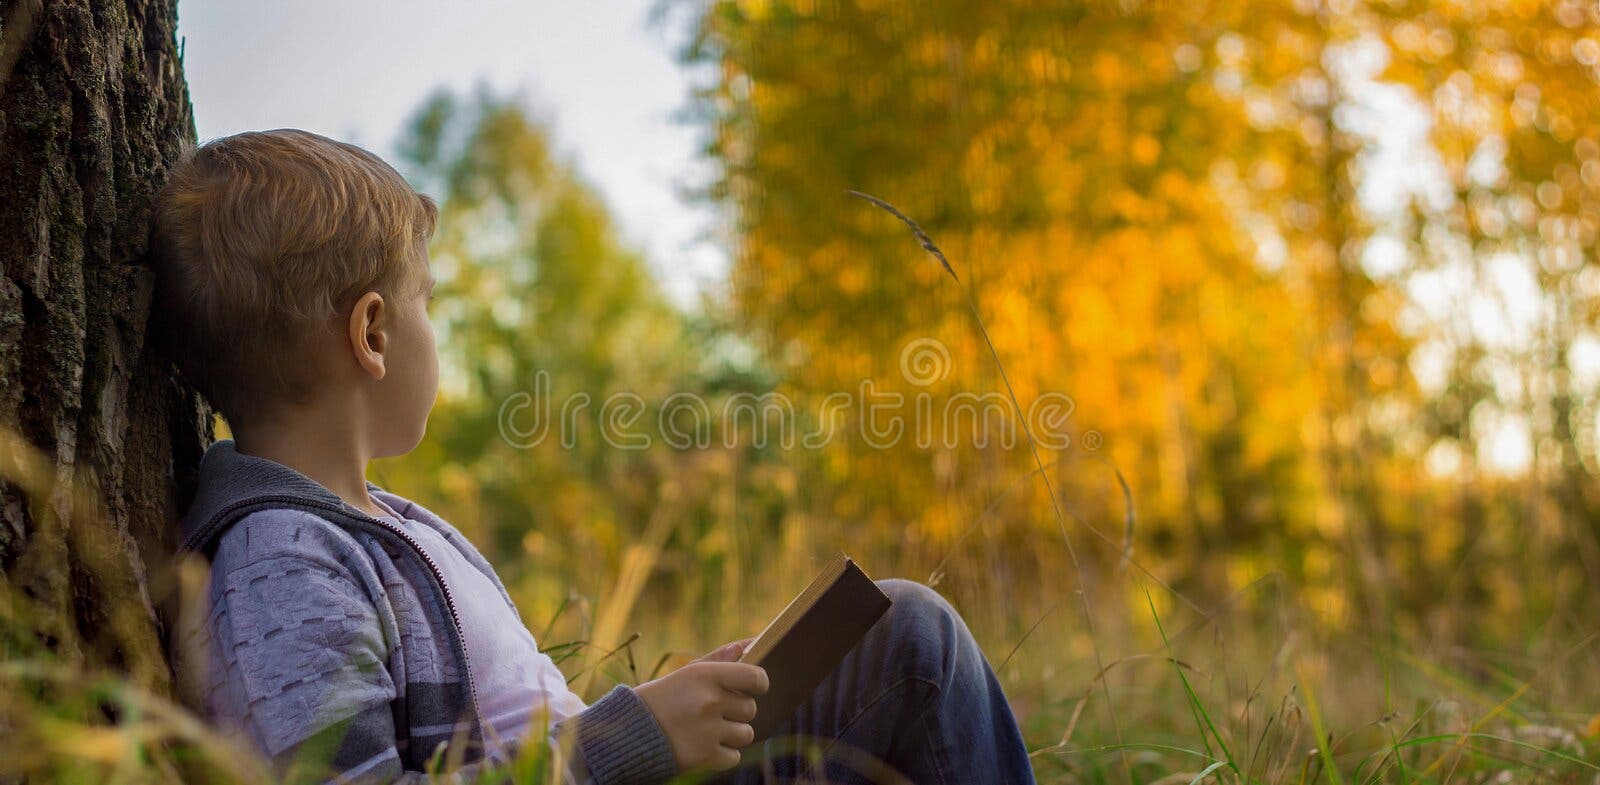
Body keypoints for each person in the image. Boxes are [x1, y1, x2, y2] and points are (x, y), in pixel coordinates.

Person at [151, 128, 1036, 785]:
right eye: (429, 300)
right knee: (914, 643)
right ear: (373, 332)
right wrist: (631, 738)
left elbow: (528, 732)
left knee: (898, 634)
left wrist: (678, 707)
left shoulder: (386, 526)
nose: (436, 326)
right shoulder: (281, 564)